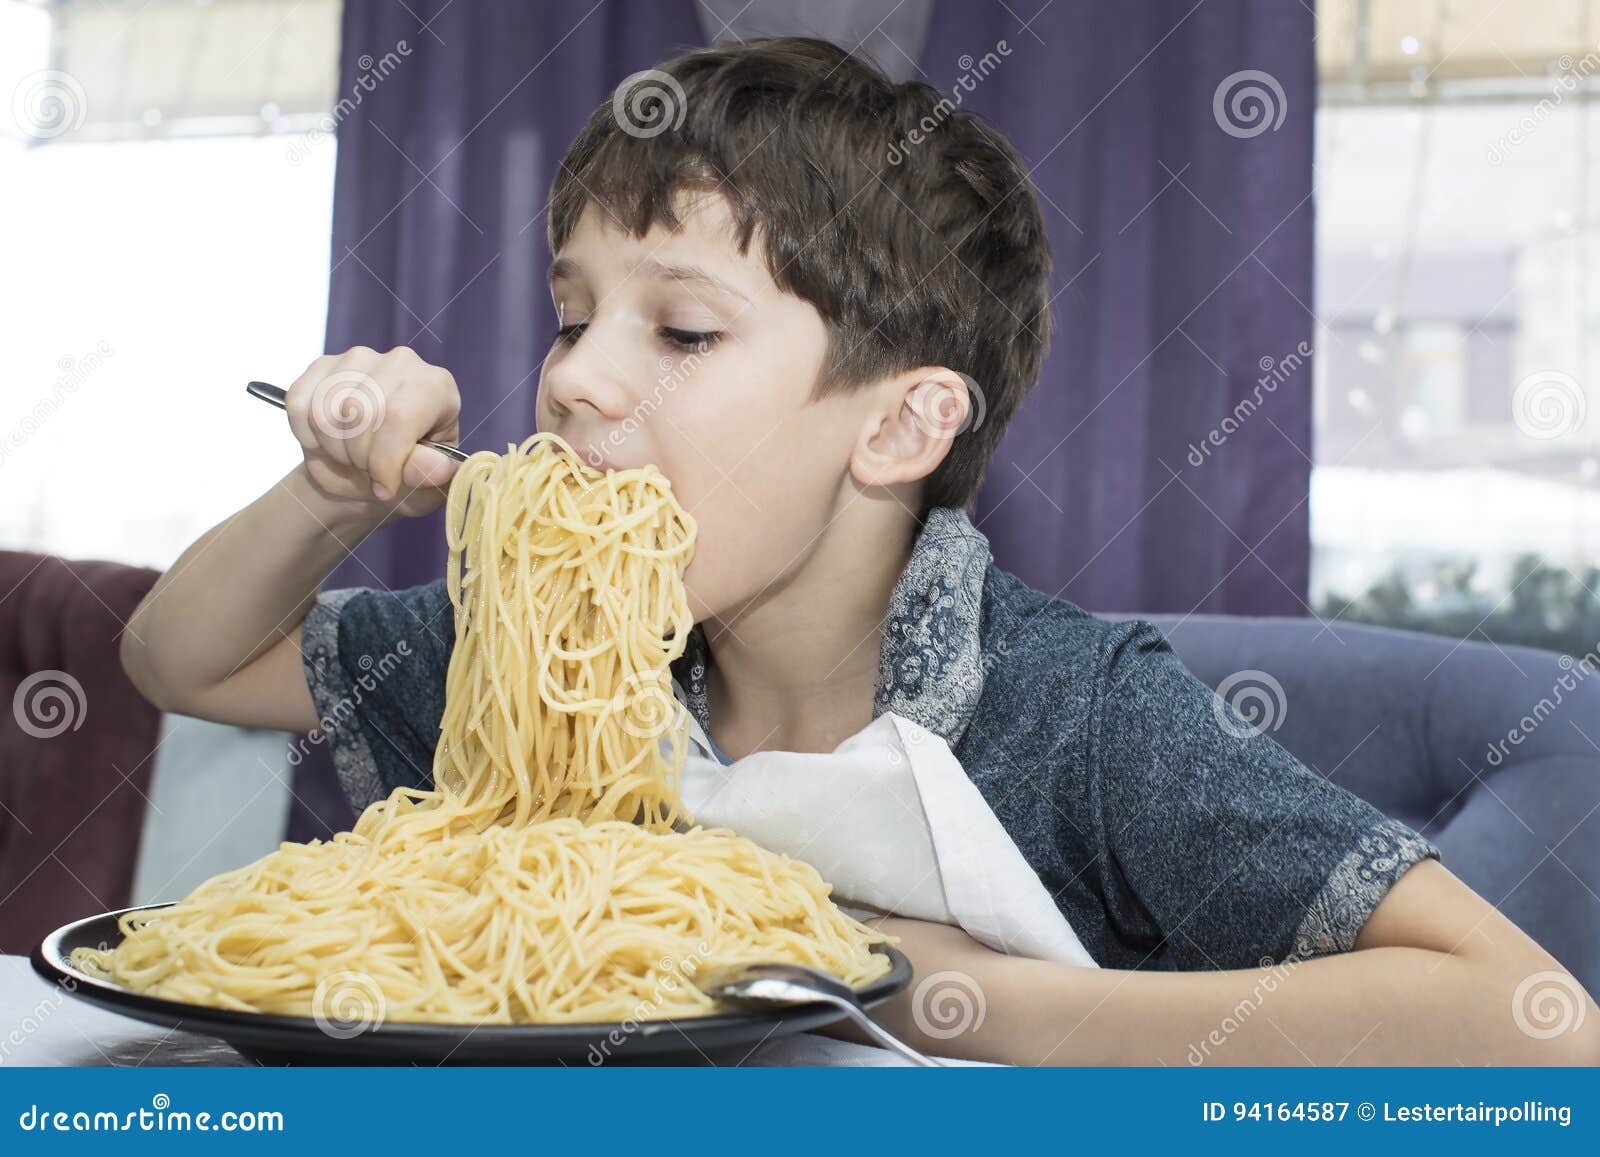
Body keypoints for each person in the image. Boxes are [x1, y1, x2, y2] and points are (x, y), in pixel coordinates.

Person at [121, 36, 1598, 1066]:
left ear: (899, 428)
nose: (571, 378)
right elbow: (184, 657)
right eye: (574, 314)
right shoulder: (542, 646)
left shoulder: (1078, 718)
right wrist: (326, 489)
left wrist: (948, 994)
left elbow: (1529, 1021)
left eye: (683, 329)